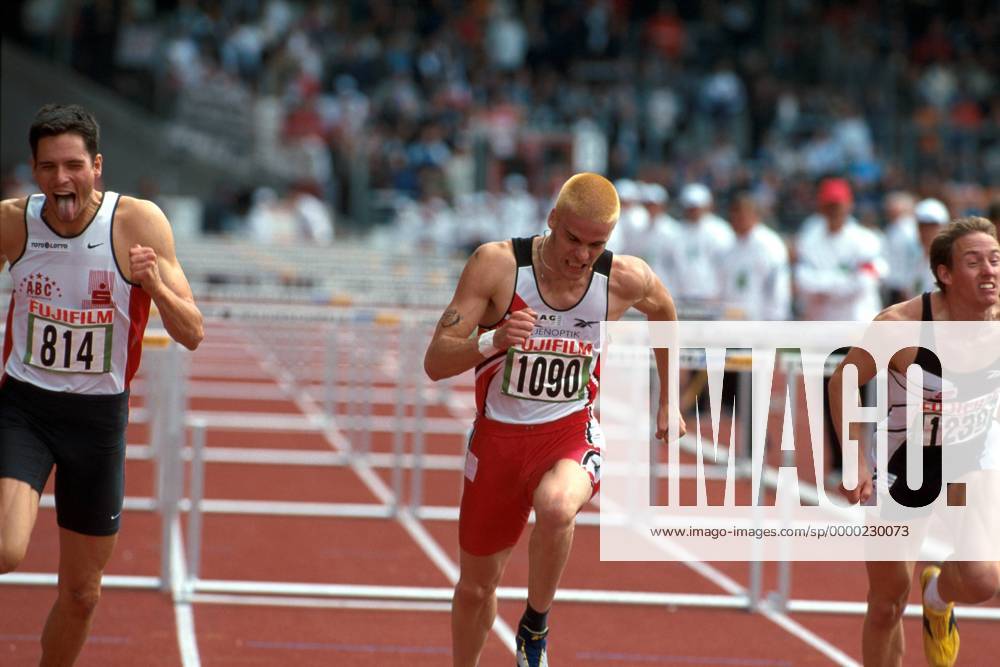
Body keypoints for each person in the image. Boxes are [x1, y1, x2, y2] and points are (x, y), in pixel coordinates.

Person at [423, 172, 686, 667]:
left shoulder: (623, 278)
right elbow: (435, 361)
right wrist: (493, 340)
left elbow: (665, 310)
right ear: (551, 220)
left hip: (568, 432)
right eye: (572, 238)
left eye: (596, 244)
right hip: (498, 440)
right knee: (477, 589)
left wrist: (668, 398)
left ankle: (535, 625)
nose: (581, 256)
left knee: (557, 505)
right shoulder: (498, 266)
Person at [0, 104, 204, 665]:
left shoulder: (137, 223)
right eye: (47, 167)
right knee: (7, 548)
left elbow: (192, 332)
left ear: (97, 166)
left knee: (83, 594)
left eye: (72, 166)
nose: (60, 180)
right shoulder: (15, 221)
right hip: (25, 408)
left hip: (98, 421)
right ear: (34, 170)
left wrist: (156, 285)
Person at [830, 217, 1000, 667]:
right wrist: (852, 461)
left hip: (965, 467)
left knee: (982, 579)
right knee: (887, 604)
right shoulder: (902, 326)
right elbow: (844, 380)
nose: (990, 270)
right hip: (903, 471)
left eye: (996, 259)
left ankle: (938, 597)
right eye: (975, 261)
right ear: (945, 274)